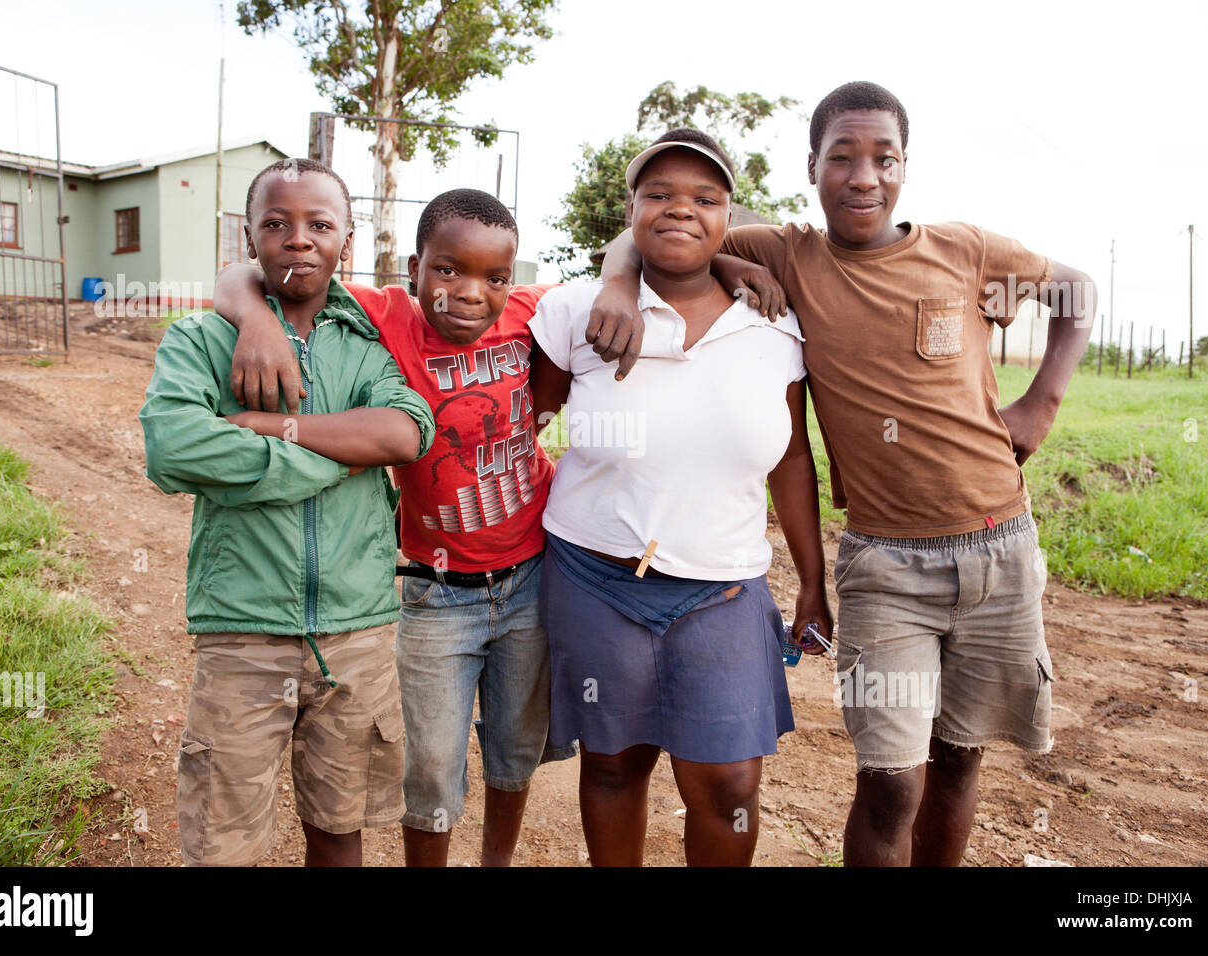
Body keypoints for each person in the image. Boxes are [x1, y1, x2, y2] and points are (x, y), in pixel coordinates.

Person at [596, 82, 1096, 867]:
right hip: (886, 567)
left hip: (999, 548)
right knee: (894, 781)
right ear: (813, 166)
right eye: (843, 157)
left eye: (883, 158)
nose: (863, 176)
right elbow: (649, 233)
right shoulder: (791, 253)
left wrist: (1042, 403)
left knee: (960, 758)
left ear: (904, 168)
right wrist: (631, 280)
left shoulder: (964, 250)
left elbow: (1076, 290)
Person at [214, 188, 778, 867]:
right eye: (446, 271)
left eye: (493, 276)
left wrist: (714, 267)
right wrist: (255, 319)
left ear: (511, 278)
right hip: (435, 591)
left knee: (514, 752)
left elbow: (631, 246)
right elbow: (248, 273)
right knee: (430, 761)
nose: (468, 292)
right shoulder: (384, 314)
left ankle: (496, 861)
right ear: (414, 267)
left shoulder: (534, 310)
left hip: (534, 578)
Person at [528, 128, 833, 867]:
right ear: (630, 210)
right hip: (594, 575)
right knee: (612, 762)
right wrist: (616, 280)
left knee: (728, 780)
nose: (680, 210)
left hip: (723, 588)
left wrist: (814, 583)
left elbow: (792, 459)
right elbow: (521, 431)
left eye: (705, 198)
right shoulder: (578, 312)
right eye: (657, 194)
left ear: (731, 216)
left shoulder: (773, 322)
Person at [139, 158, 436, 866]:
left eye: (319, 224)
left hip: (357, 631)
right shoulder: (201, 342)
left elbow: (403, 433)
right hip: (243, 632)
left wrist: (275, 429)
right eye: (276, 223)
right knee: (224, 837)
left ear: (347, 240)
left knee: (340, 827)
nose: (298, 239)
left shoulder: (367, 343)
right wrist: (334, 459)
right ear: (249, 238)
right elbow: (174, 449)